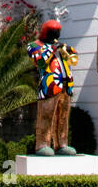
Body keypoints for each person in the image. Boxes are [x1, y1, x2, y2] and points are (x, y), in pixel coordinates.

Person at [26, 19, 78, 157]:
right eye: (54, 32)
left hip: (65, 86)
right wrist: (53, 49)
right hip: (49, 85)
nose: (56, 35)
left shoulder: (61, 46)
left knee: (63, 117)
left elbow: (74, 57)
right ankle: (42, 144)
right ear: (46, 32)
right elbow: (40, 62)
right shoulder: (34, 45)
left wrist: (65, 49)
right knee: (46, 116)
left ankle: (62, 144)